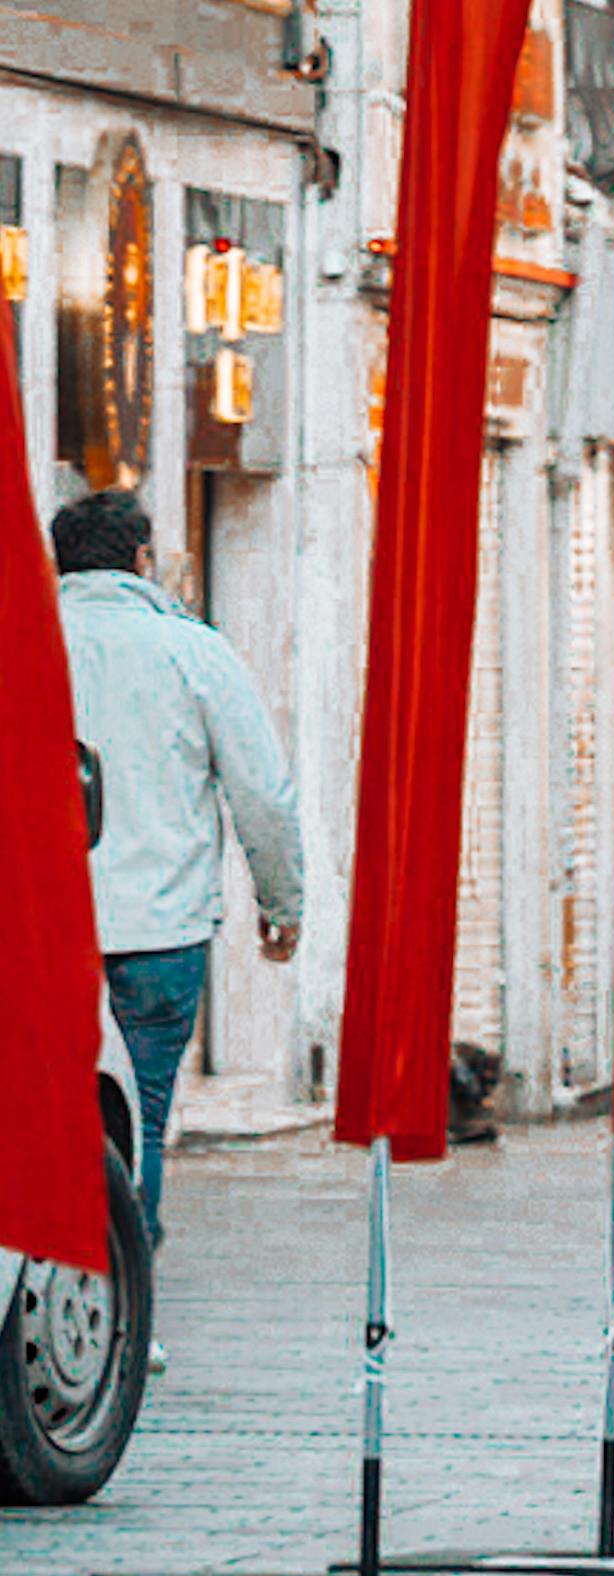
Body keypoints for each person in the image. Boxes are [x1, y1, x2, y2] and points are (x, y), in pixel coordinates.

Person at [54, 483, 302, 1234]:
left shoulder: (21, 642)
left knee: (37, 1120)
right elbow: (263, 792)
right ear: (141, 559)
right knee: (142, 1118)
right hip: (160, 931)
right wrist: (281, 906)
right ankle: (130, 1315)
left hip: (41, 931)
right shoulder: (194, 650)